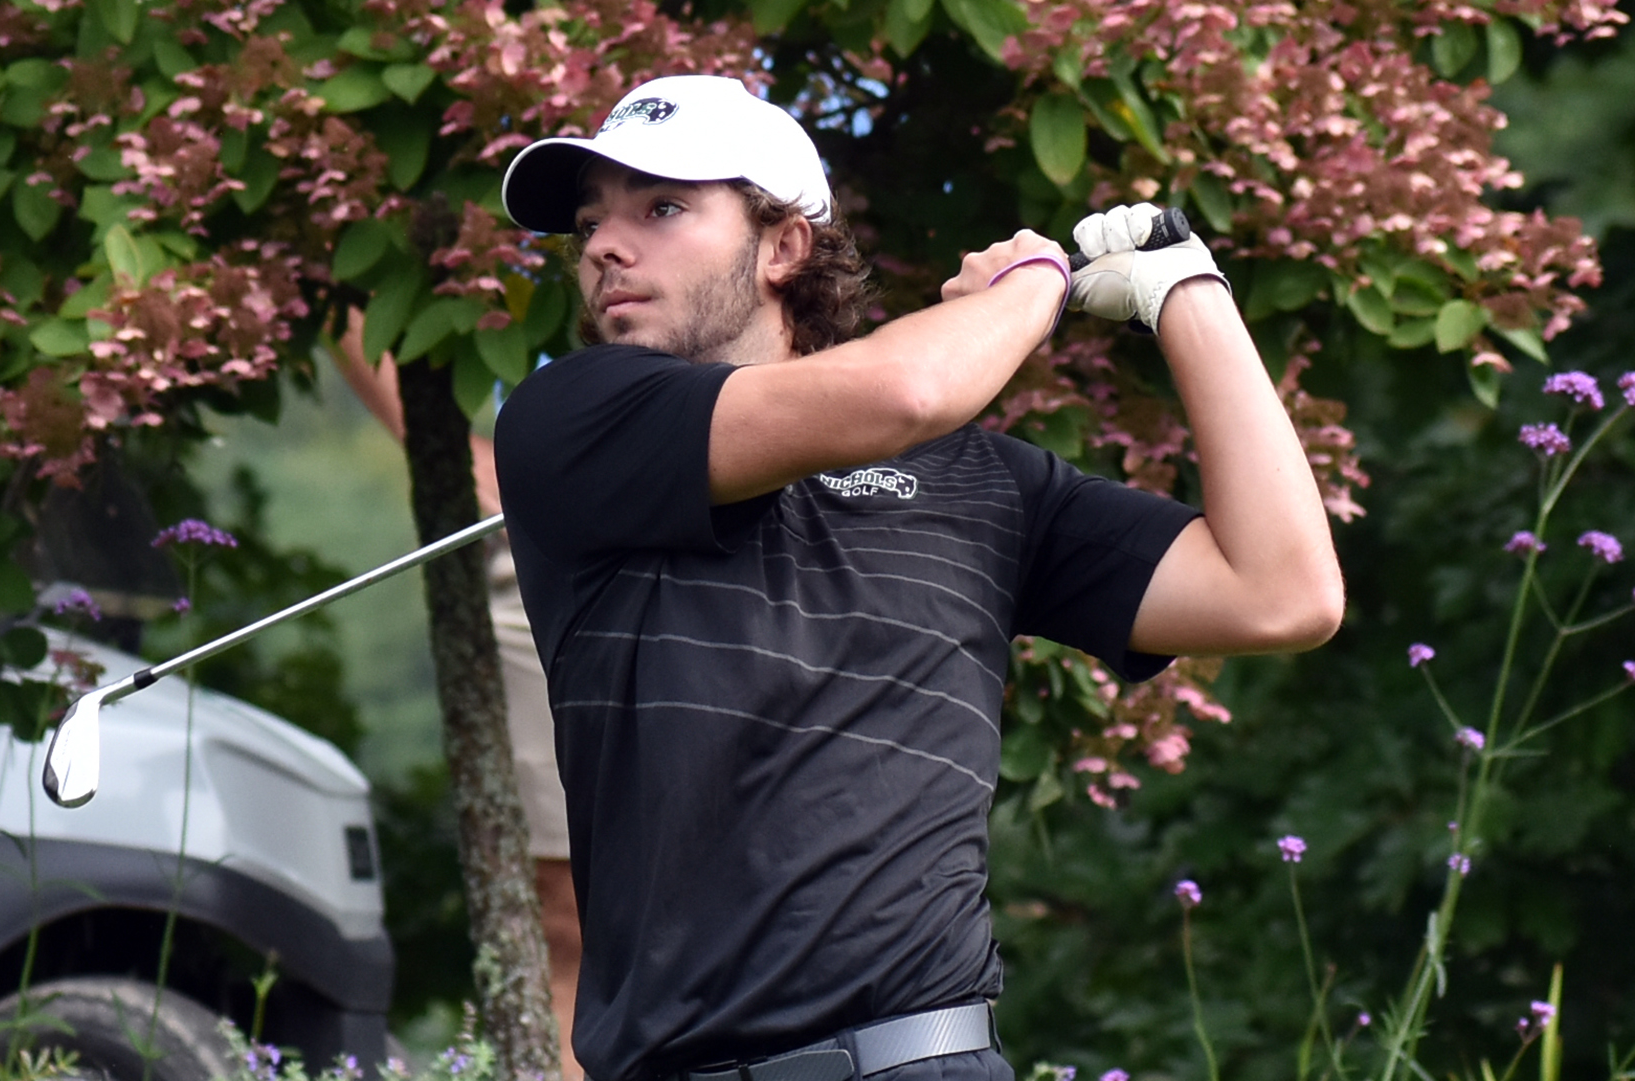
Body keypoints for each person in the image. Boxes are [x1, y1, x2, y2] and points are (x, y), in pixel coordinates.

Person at [492, 74, 1344, 1081]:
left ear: (782, 245)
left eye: (662, 208)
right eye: (591, 221)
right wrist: (1036, 281)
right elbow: (910, 386)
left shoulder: (985, 482)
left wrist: (1186, 292)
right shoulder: (574, 419)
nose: (603, 245)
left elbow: (1286, 591)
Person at [331, 320, 586, 1080]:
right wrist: (449, 451)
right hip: (549, 517)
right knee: (569, 909)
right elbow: (326, 261)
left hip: (766, 503)